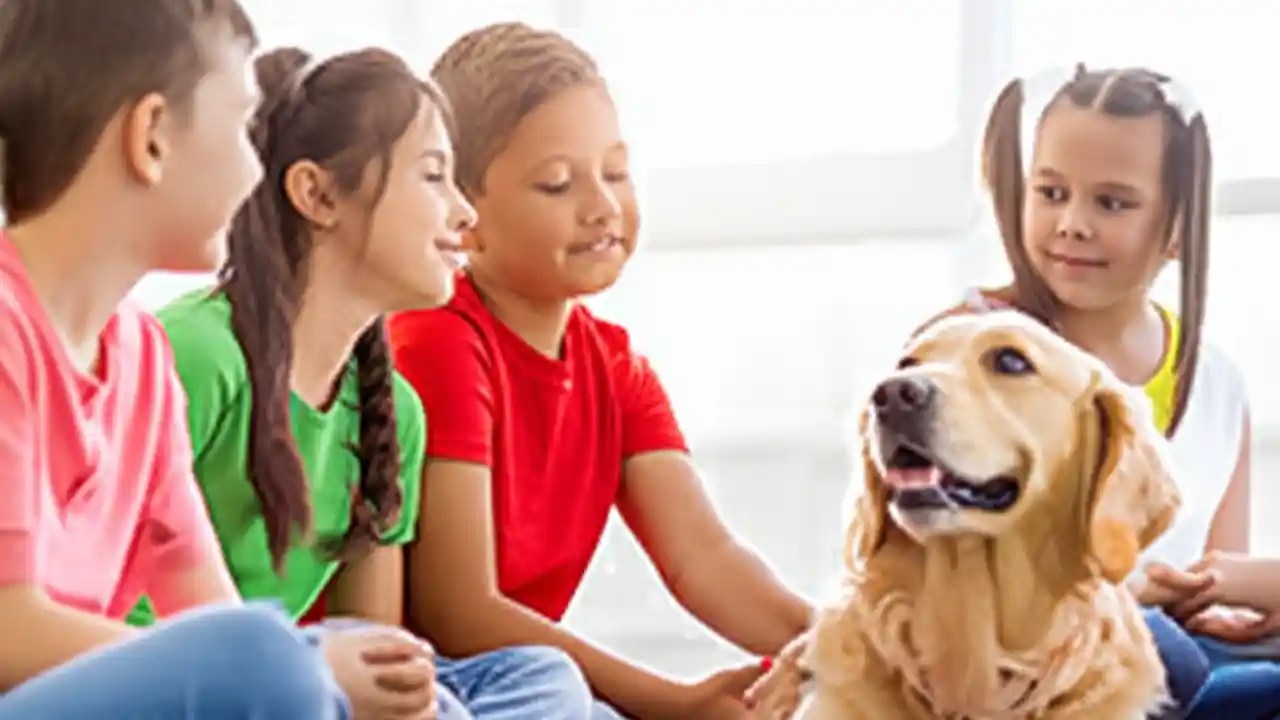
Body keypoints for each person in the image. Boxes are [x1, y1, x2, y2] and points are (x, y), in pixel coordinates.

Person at [747, 64, 1280, 720]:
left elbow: (1216, 571)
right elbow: (892, 553)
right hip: (1014, 667)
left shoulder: (1219, 384)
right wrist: (821, 650)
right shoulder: (958, 346)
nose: (1072, 224)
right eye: (1051, 192)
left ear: (1178, 227)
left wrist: (1235, 595)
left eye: (1111, 202)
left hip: (1159, 662)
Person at [126, 43, 600, 720]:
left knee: (540, 677)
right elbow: (118, 622)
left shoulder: (393, 411)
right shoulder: (194, 356)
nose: (464, 214)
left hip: (301, 684)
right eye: (434, 176)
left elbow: (378, 651)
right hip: (183, 687)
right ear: (317, 194)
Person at [0, 1, 420, 716]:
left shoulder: (144, 364)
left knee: (347, 661)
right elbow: (7, 633)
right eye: (241, 128)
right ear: (153, 136)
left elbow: (209, 612)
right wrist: (297, 665)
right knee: (268, 658)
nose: (258, 172)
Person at [386, 21, 812, 720]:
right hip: (432, 685)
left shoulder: (614, 366)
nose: (603, 206)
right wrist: (675, 703)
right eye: (557, 184)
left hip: (526, 683)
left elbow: (703, 558)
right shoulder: (436, 342)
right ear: (465, 219)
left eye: (615, 172)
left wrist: (841, 647)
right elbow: (457, 612)